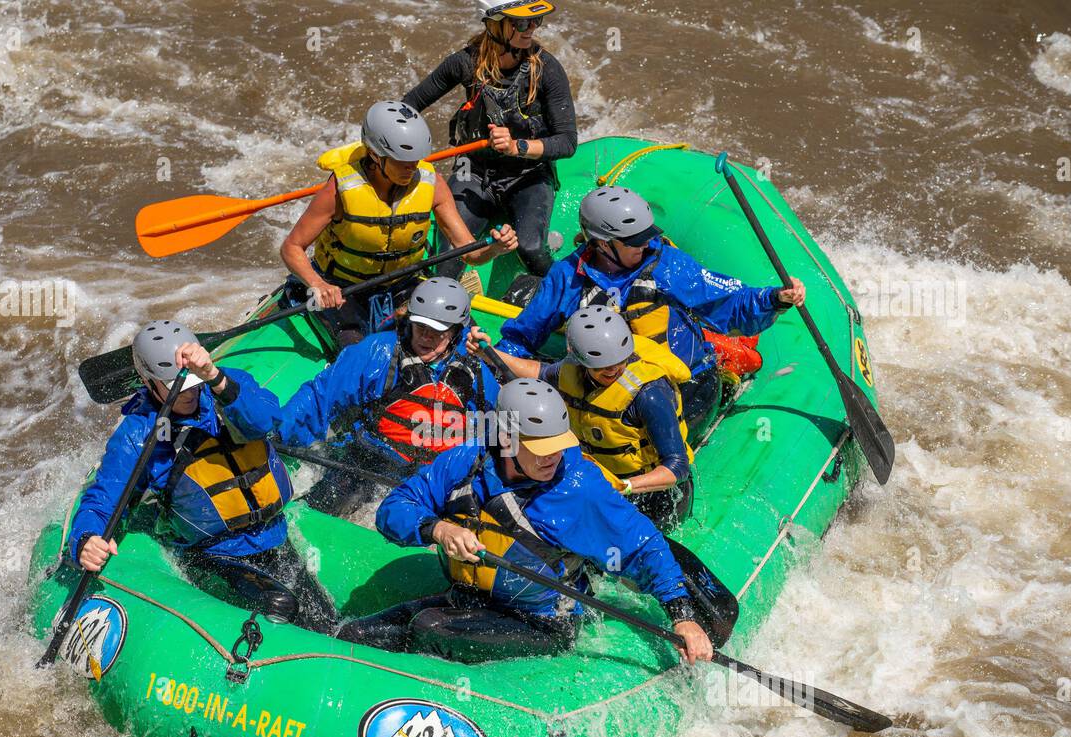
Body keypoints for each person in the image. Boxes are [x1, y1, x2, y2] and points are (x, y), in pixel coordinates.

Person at [335, 378, 714, 664]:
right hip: (465, 602)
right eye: (541, 447)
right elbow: (395, 507)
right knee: (354, 633)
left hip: (540, 622)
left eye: (559, 444)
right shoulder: (466, 462)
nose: (553, 457)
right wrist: (437, 528)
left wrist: (682, 617)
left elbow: (642, 547)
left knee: (425, 629)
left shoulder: (579, 487)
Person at [69, 321, 337, 632]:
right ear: (147, 380)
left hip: (273, 536)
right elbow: (104, 500)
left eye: (193, 380)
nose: (188, 391)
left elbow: (266, 421)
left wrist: (215, 378)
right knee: (282, 606)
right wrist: (85, 539)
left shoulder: (227, 387)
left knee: (326, 619)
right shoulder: (140, 434)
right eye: (175, 385)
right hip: (215, 556)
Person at [495, 185, 807, 432]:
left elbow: (733, 305)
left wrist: (775, 298)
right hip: (602, 390)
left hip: (683, 391)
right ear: (602, 243)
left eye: (646, 237)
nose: (644, 245)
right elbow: (520, 340)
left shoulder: (667, 266)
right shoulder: (567, 276)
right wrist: (491, 368)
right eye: (633, 241)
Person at [280, 100, 517, 357]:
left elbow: (470, 253)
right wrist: (317, 284)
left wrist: (496, 248)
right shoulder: (339, 190)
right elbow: (291, 247)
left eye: (415, 160)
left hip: (402, 282)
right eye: (402, 161)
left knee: (461, 333)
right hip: (345, 287)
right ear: (374, 155)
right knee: (359, 353)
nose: (411, 168)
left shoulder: (433, 184)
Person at [278, 277, 503, 518]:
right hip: (370, 463)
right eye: (420, 327)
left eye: (437, 331)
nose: (426, 337)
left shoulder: (475, 371)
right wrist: (278, 439)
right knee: (320, 508)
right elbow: (319, 398)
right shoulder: (378, 351)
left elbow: (494, 433)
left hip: (436, 478)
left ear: (456, 331)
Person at [471, 305, 695, 529]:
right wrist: (490, 354)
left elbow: (678, 466)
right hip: (600, 482)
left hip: (653, 497)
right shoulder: (573, 370)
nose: (612, 370)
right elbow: (539, 373)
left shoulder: (649, 395)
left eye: (619, 362)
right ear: (580, 359)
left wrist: (624, 486)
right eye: (601, 366)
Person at [403, 0, 576, 283]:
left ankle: (566, 292)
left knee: (531, 249)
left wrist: (517, 147)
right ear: (495, 24)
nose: (532, 28)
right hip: (473, 172)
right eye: (522, 23)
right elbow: (409, 105)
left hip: (529, 174)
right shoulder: (464, 63)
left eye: (536, 21)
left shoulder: (547, 69)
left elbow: (567, 142)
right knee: (447, 262)